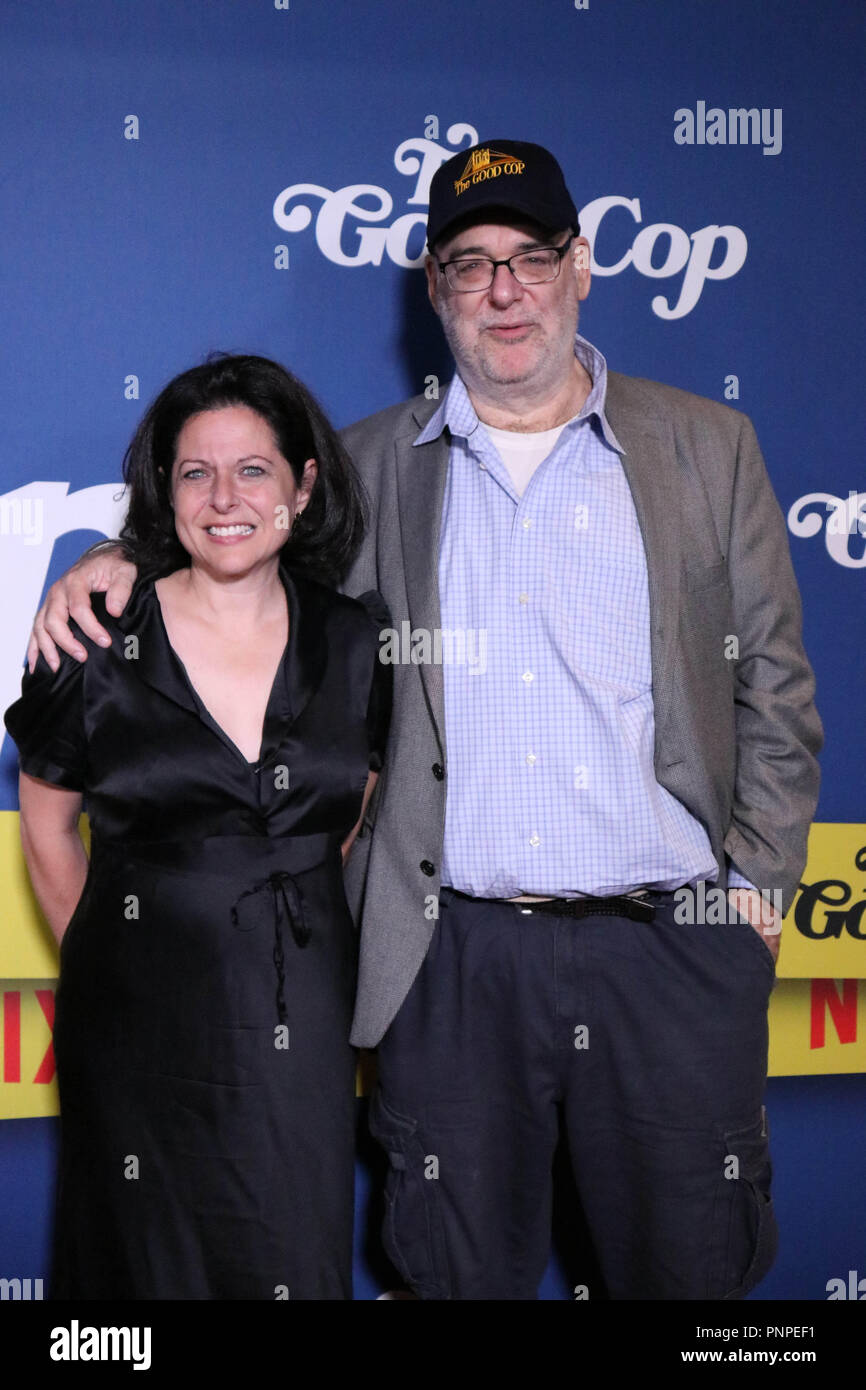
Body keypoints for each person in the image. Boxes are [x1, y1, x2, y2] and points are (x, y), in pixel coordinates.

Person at [29, 141, 822, 1301]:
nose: (503, 290)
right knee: (452, 1278)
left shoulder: (706, 448)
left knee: (693, 1283)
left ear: (582, 266)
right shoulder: (367, 467)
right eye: (467, 265)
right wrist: (111, 559)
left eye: (529, 258)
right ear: (434, 286)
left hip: (669, 952)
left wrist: (749, 897)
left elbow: (777, 689)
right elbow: (228, 541)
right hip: (450, 964)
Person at [6, 353, 390, 1300]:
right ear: (165, 492)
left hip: (302, 1010)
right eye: (195, 472)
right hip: (134, 1022)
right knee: (141, 1261)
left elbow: (345, 824)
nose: (225, 496)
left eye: (253, 468)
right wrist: (114, 964)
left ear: (301, 485)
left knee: (289, 1251)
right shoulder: (94, 636)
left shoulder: (356, 641)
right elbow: (48, 831)